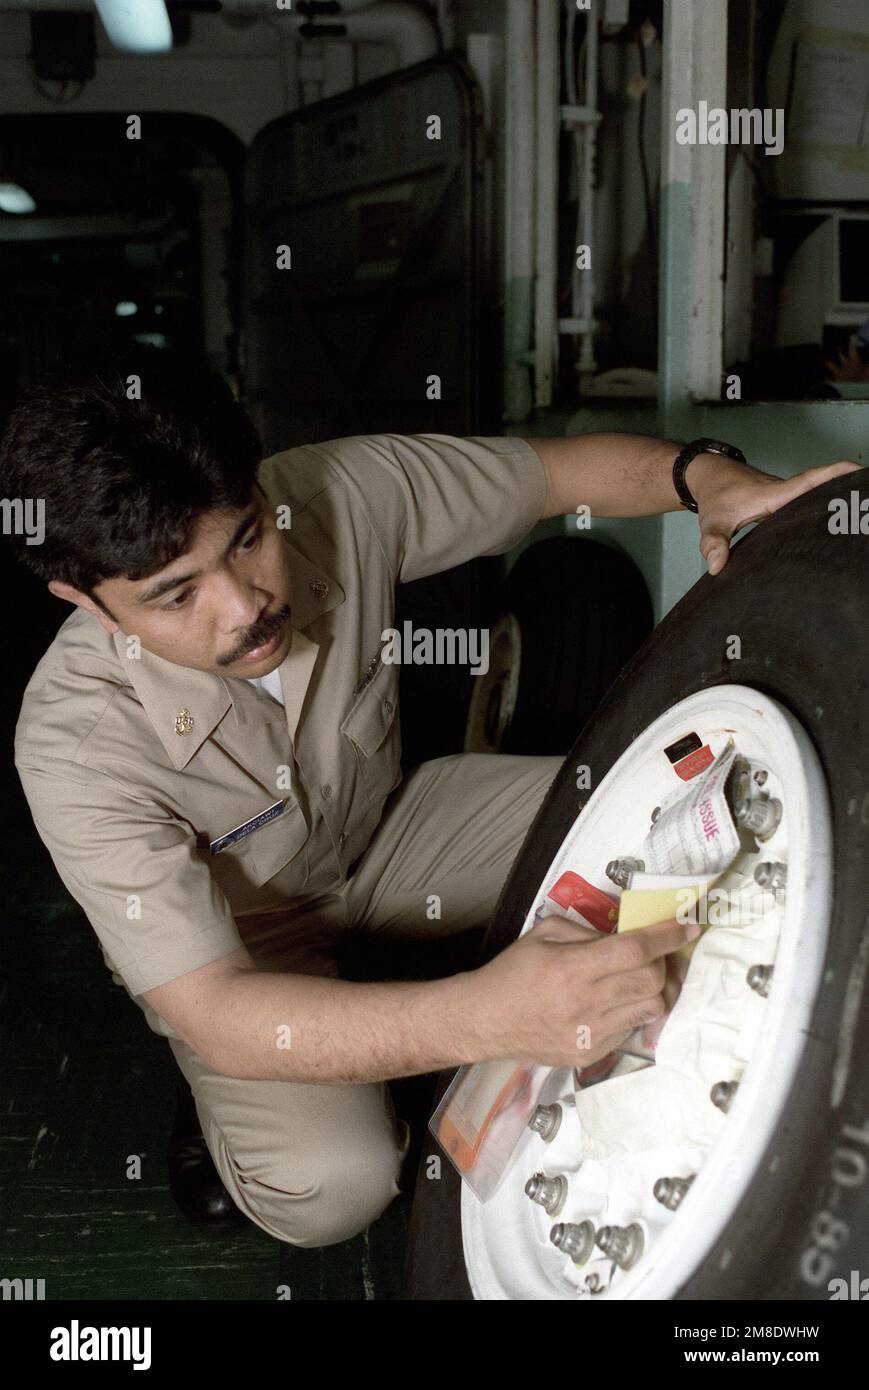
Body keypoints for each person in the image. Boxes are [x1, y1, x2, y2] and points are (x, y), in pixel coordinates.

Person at [0, 355, 859, 1248]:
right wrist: (488, 1014)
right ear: (86, 603)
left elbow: (556, 474)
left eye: (247, 539)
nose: (245, 607)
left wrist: (708, 479)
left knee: (665, 803)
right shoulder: (73, 750)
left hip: (397, 839)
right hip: (241, 951)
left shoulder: (334, 490)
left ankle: (387, 996)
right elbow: (217, 1004)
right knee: (338, 1185)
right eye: (177, 595)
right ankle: (233, 1118)